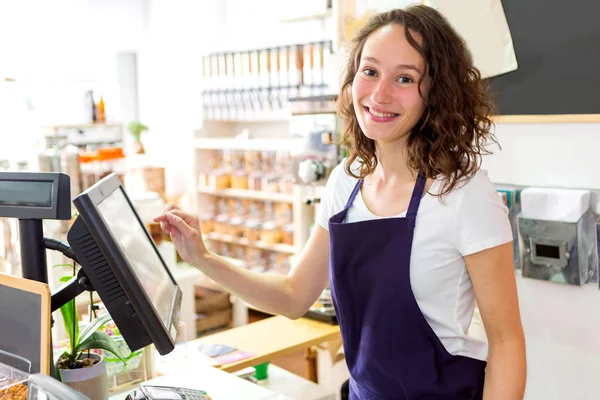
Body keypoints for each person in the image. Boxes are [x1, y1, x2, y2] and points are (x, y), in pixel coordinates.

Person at [155, 5, 526, 399]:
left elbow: (507, 344)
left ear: (435, 93)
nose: (380, 94)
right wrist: (203, 259)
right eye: (370, 71)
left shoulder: (463, 196)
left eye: (405, 78)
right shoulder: (345, 183)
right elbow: (294, 296)